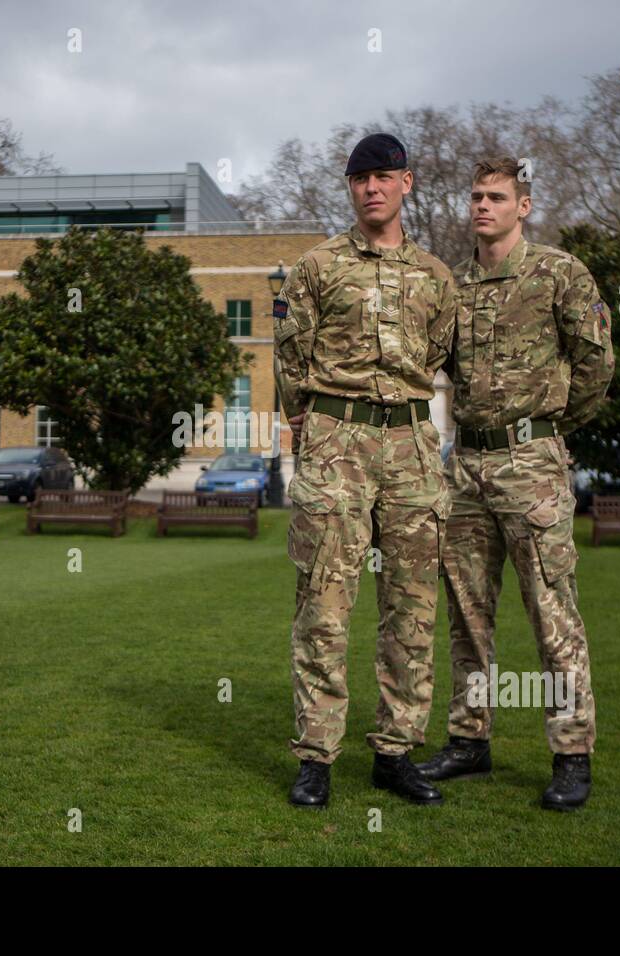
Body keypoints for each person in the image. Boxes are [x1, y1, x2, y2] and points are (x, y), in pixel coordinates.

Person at [414, 156, 614, 811]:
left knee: (552, 614)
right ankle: (470, 740)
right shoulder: (453, 284)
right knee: (468, 620)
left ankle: (571, 753)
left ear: (522, 206)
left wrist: (547, 430)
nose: (482, 206)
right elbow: (427, 363)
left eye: (496, 196)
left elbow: (595, 365)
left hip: (532, 468)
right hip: (465, 469)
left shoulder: (559, 273)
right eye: (475, 195)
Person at [274, 133, 458, 808]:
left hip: (410, 447)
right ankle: (317, 756)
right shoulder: (316, 268)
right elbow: (291, 361)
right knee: (324, 605)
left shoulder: (437, 277)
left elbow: (434, 356)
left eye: (383, 177)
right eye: (359, 180)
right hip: (336, 441)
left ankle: (395, 751)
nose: (370, 188)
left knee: (410, 608)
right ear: (350, 189)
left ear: (406, 183)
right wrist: (313, 432)